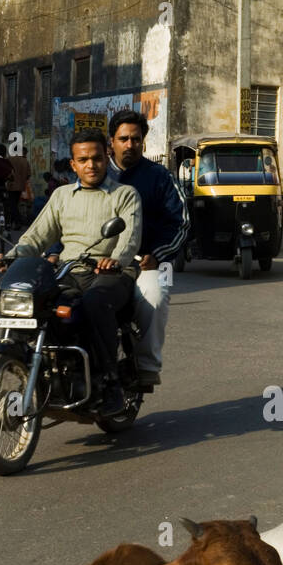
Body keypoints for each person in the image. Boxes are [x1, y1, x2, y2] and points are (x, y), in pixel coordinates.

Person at [0, 129, 142, 417]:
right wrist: (9, 256)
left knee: (95, 302)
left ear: (107, 157)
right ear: (73, 164)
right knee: (41, 302)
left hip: (110, 271)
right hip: (70, 269)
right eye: (83, 160)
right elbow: (36, 237)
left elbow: (129, 237)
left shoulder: (124, 194)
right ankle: (52, 370)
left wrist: (116, 259)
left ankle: (111, 384)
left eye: (96, 158)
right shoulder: (61, 196)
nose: (90, 165)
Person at [107, 108, 188, 388]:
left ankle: (146, 364)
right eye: (124, 138)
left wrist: (159, 255)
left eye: (136, 139)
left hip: (150, 261)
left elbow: (181, 222)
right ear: (112, 142)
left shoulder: (159, 177)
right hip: (99, 261)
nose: (130, 144)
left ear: (143, 141)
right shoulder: (96, 172)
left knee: (154, 297)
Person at [4, 147, 32, 228]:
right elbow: (28, 175)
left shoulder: (9, 159)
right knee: (15, 204)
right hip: (20, 186)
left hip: (11, 185)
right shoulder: (25, 161)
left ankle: (17, 221)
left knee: (12, 205)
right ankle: (14, 222)